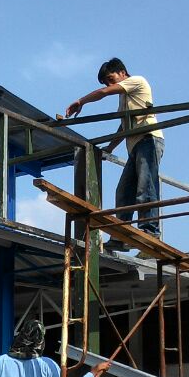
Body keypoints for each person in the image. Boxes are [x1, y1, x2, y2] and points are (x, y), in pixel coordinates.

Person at [63, 58, 164, 254]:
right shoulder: (125, 98)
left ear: (122, 72)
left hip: (149, 139)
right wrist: (110, 147)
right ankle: (120, 237)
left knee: (146, 186)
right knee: (124, 192)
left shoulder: (137, 81)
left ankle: (151, 234)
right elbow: (123, 126)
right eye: (107, 82)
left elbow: (103, 93)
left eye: (111, 79)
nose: (110, 85)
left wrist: (81, 101)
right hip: (135, 146)